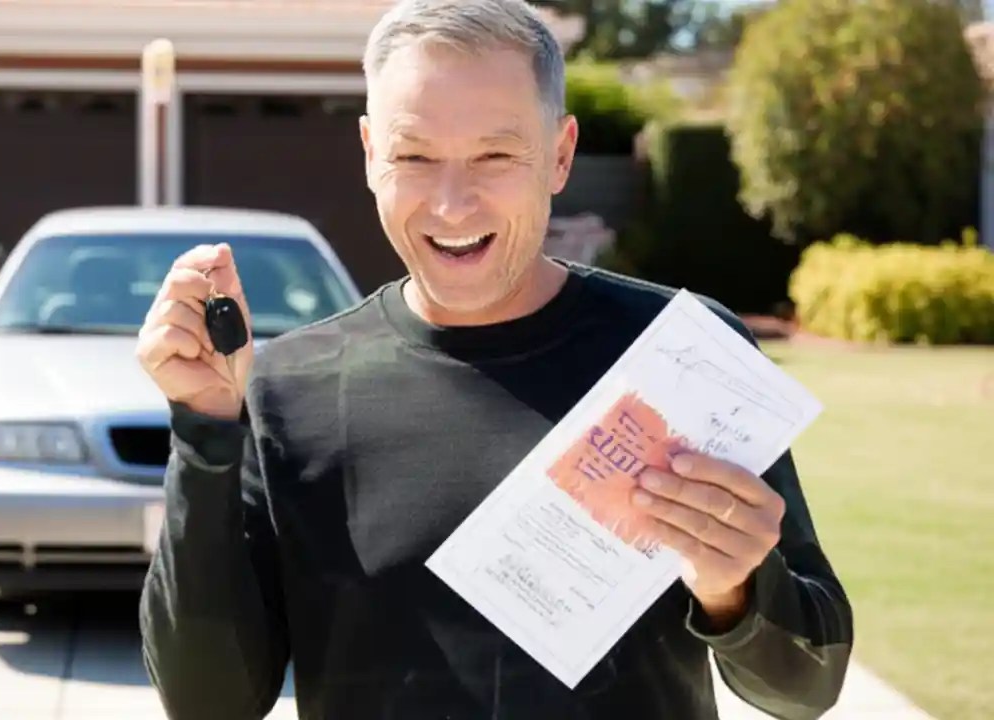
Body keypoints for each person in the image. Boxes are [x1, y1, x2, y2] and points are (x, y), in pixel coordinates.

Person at [134, 0, 853, 717]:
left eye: (495, 155)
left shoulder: (681, 357)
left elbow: (805, 689)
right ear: (370, 155)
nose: (452, 205)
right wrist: (203, 433)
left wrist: (735, 590)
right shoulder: (289, 391)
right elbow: (207, 704)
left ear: (561, 155)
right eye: (414, 155)